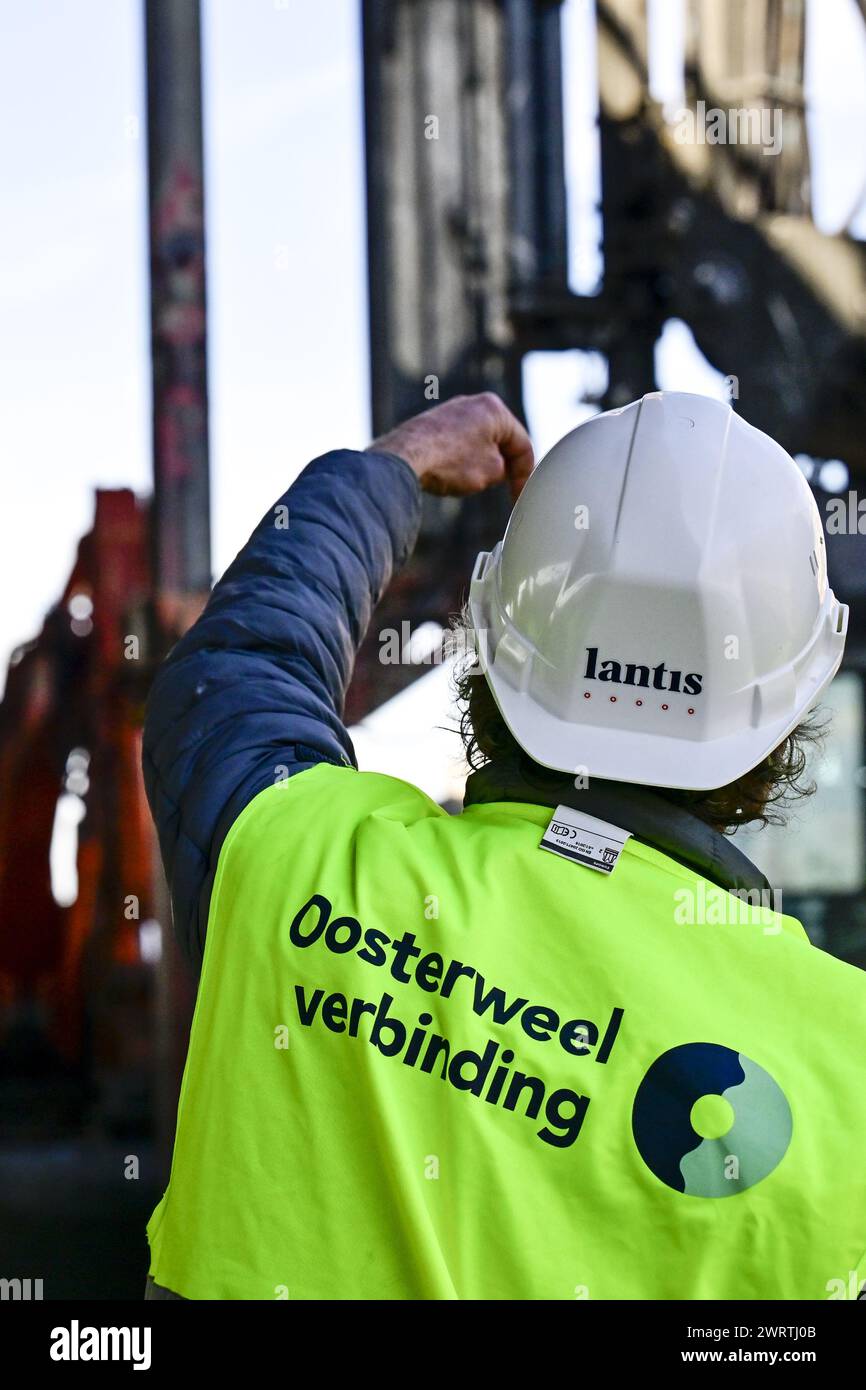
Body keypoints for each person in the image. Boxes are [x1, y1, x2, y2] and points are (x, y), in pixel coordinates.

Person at [142, 389, 866, 1301]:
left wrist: (390, 471)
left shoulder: (302, 864)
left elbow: (235, 680)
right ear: (786, 714)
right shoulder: (850, 1073)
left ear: (487, 645)